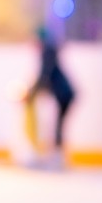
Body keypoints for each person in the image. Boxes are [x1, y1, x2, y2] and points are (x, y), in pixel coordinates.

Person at [26, 25, 75, 168]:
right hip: (64, 93)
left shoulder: (47, 52)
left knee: (58, 124)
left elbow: (44, 74)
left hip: (64, 93)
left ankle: (57, 156)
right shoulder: (49, 51)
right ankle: (56, 155)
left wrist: (33, 90)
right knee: (57, 123)